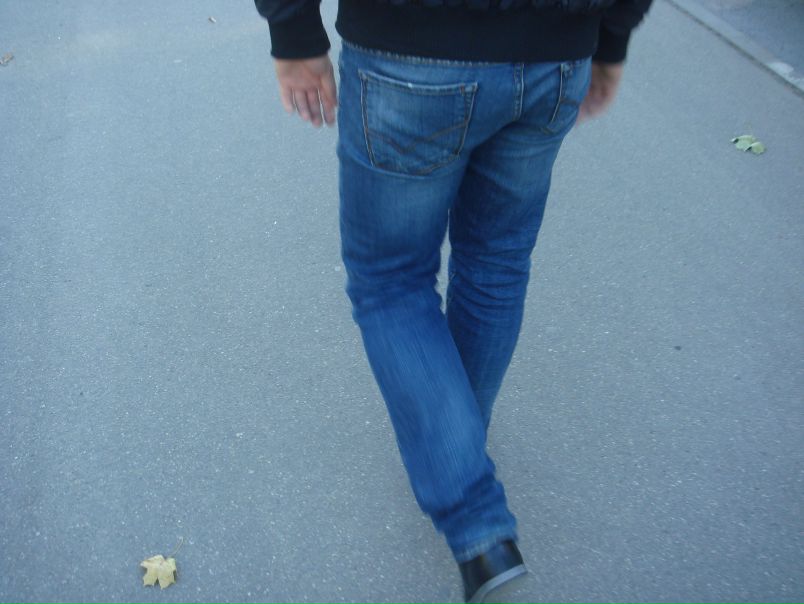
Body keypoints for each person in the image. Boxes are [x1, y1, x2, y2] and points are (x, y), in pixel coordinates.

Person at [254, 1, 652, 601]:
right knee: (496, 264)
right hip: (556, 54)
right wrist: (612, 37)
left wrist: (293, 32)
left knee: (391, 282)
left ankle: (477, 526)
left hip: (411, 50)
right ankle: (459, 445)